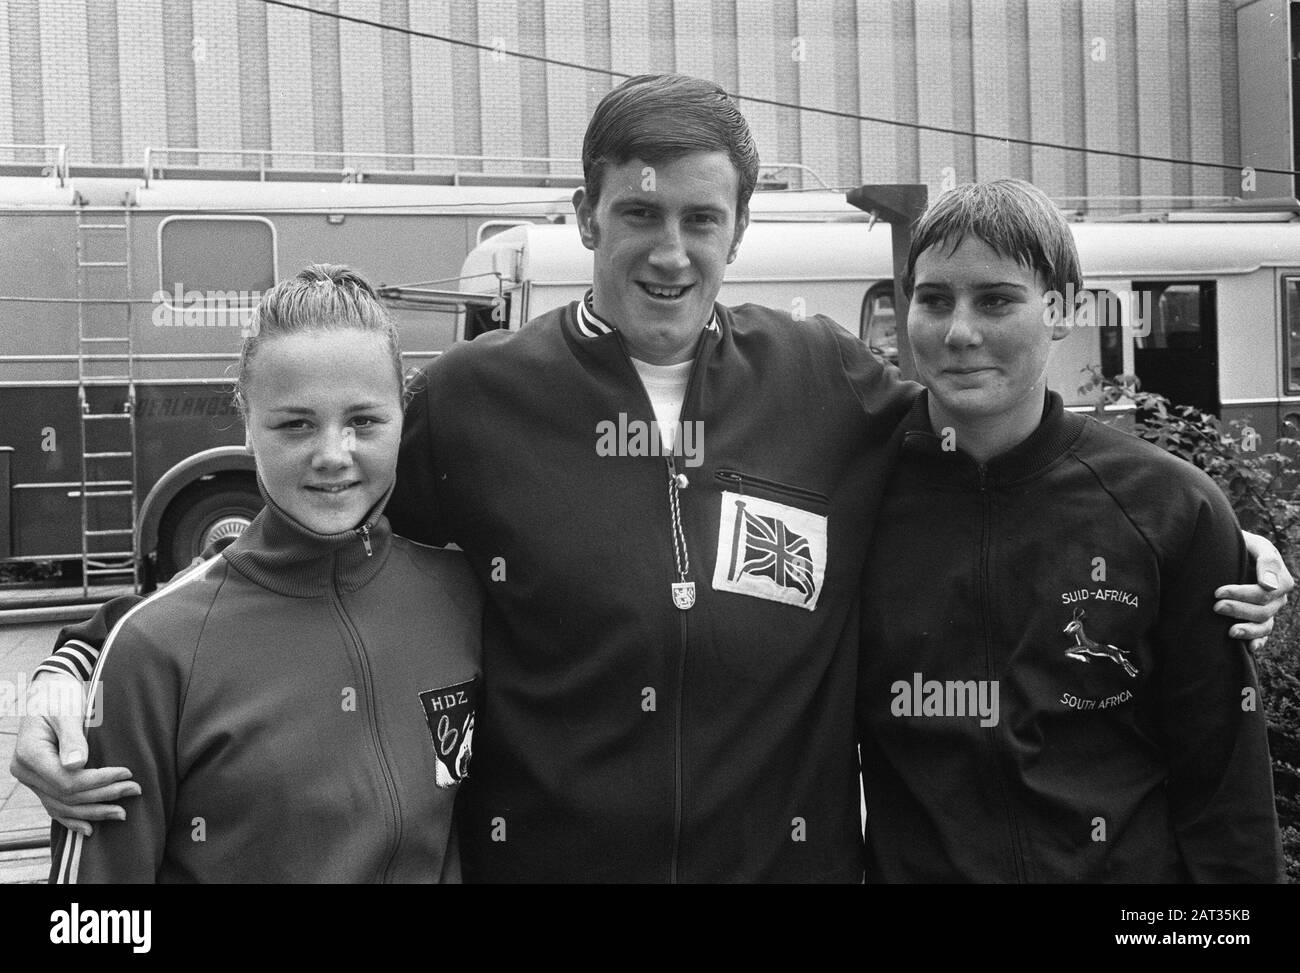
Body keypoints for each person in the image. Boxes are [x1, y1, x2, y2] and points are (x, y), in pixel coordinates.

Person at [13, 76, 1291, 883]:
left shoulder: (834, 389)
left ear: (742, 226)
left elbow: (1023, 456)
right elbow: (304, 536)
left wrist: (1215, 552)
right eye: (637, 214)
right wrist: (80, 666)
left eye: (701, 218)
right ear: (585, 217)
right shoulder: (472, 404)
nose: (668, 251)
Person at [857, 179, 1285, 882]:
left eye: (996, 299)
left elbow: (1224, 788)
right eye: (933, 300)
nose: (960, 331)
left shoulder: (1171, 507)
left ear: (1063, 310)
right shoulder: (854, 494)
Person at [46, 265, 482, 882]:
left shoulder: (461, 595)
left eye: (364, 420)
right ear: (247, 424)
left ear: (403, 417)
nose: (333, 454)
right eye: (295, 423)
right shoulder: (153, 652)